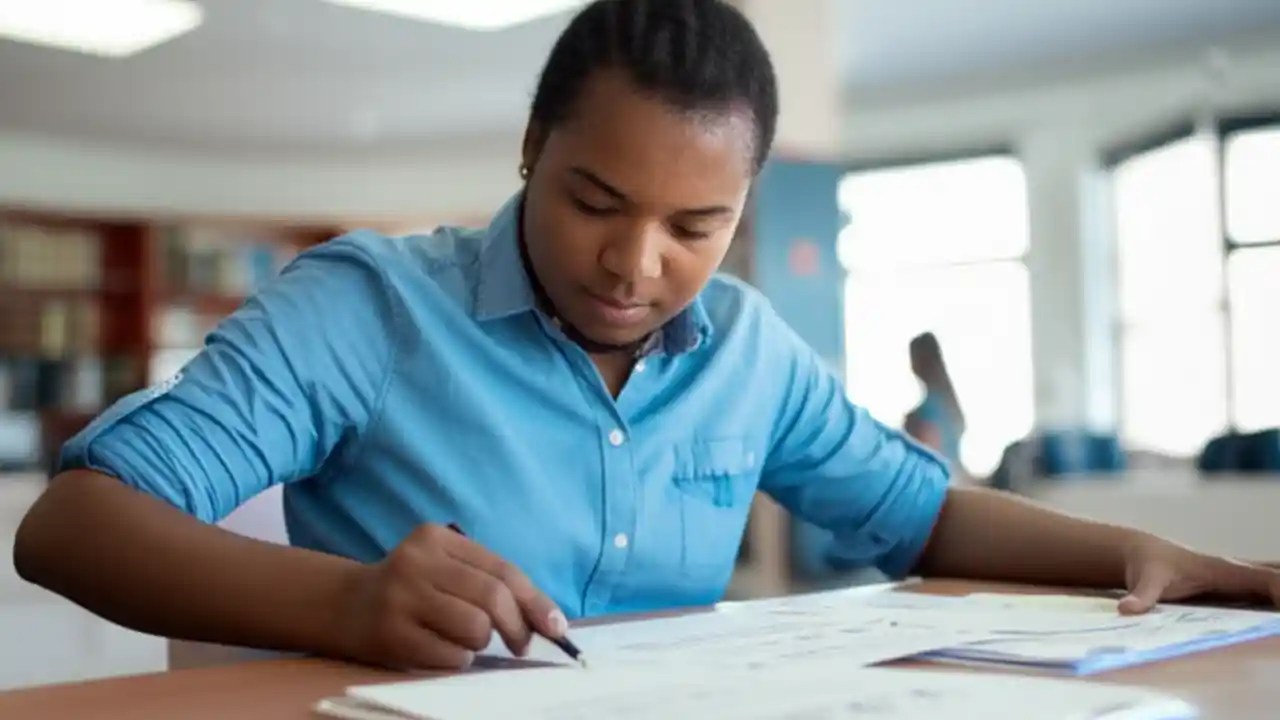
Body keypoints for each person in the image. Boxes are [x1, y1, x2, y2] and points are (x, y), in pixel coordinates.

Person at [13, 0, 1279, 673]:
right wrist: (348, 600)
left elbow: (923, 513)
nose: (636, 265)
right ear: (529, 154)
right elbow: (69, 524)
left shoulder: (745, 344)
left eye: (696, 225)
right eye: (594, 203)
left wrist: (1139, 550)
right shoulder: (371, 306)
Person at [902, 332, 965, 469]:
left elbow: (929, 456)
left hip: (940, 484)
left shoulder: (926, 412)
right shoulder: (951, 405)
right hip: (957, 479)